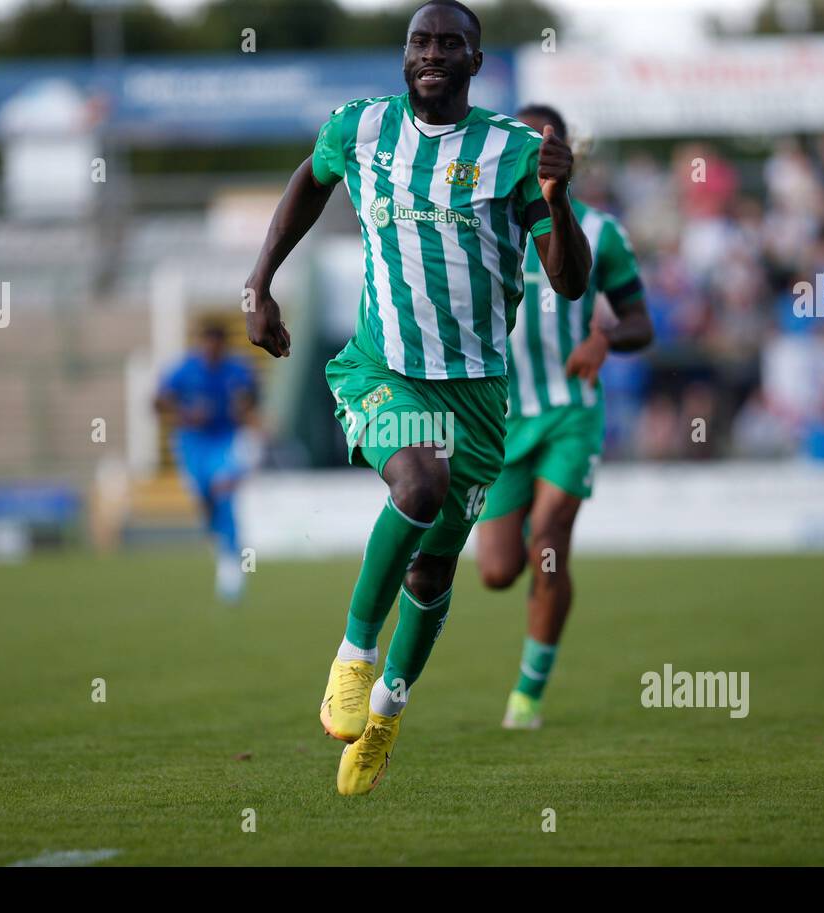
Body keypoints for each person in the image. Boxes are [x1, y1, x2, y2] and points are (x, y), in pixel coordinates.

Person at [244, 1, 592, 795]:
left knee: (432, 578)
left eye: (450, 44)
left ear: (475, 61)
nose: (431, 55)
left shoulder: (512, 153)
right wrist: (258, 285)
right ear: (405, 56)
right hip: (380, 367)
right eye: (419, 42)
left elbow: (569, 282)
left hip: (475, 395)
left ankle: (387, 719)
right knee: (420, 481)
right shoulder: (362, 129)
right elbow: (310, 178)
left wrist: (560, 199)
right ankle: (354, 656)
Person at [476, 105, 654, 730]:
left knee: (548, 542)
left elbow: (640, 321)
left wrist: (606, 338)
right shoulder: (472, 224)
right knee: (498, 571)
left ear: (562, 153)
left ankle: (527, 696)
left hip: (569, 413)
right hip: (497, 420)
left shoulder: (600, 231)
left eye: (542, 144)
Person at [154, 322, 258, 603]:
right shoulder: (184, 369)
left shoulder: (237, 369)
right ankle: (221, 541)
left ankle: (231, 562)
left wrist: (244, 410)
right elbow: (157, 402)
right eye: (205, 345)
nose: (209, 350)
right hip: (192, 443)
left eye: (214, 345)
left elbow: (251, 400)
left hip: (224, 440)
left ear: (222, 346)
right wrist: (184, 414)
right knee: (204, 498)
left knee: (223, 488)